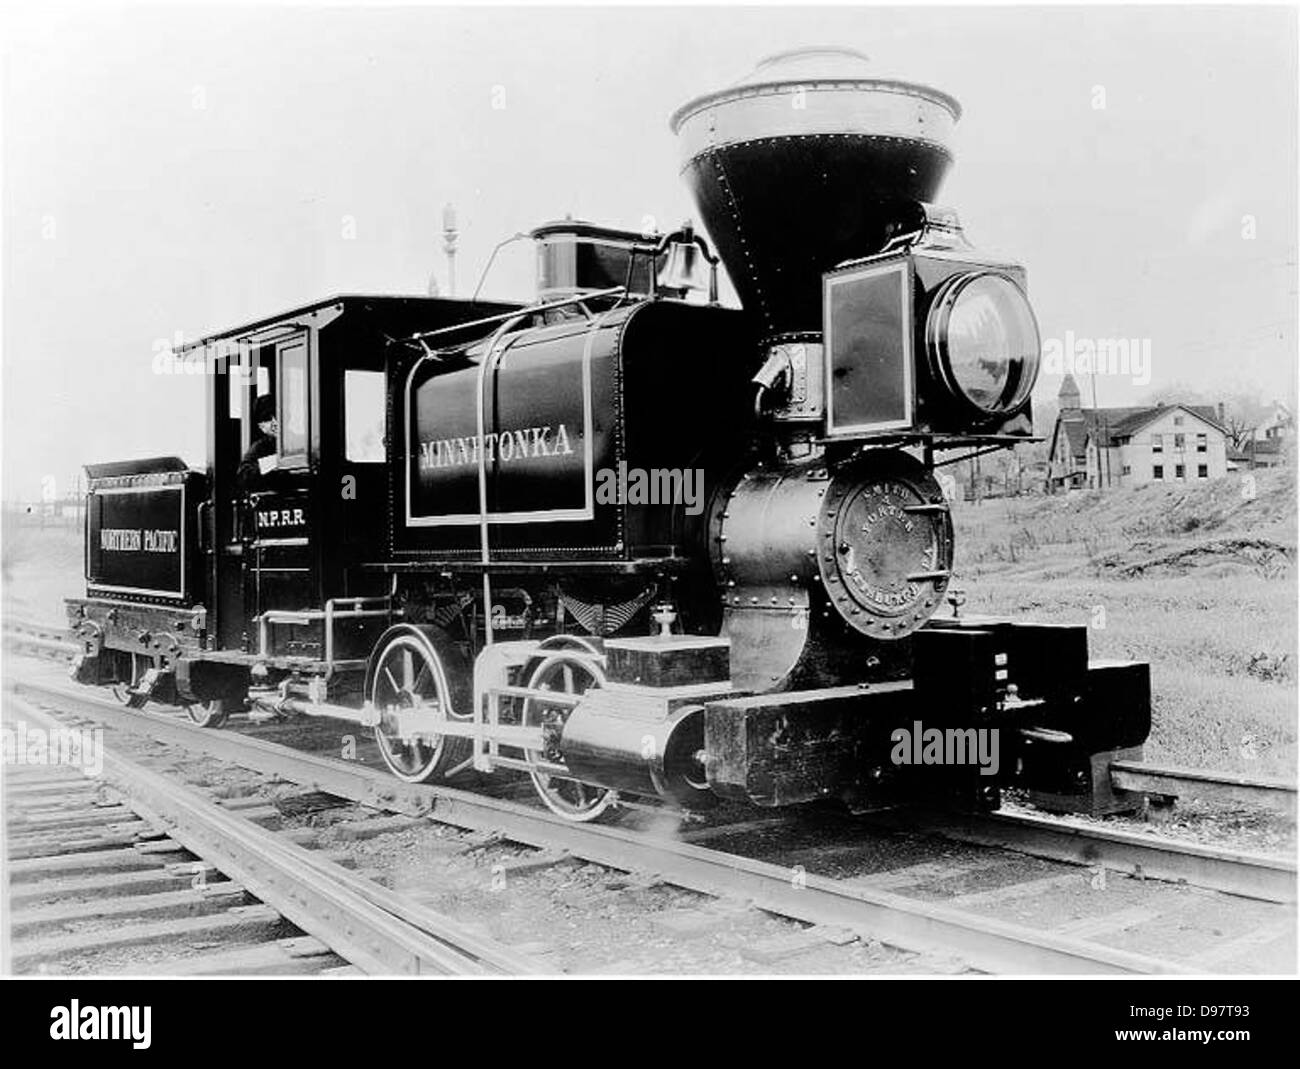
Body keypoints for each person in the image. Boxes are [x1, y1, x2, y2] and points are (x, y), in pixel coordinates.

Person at [237, 394, 278, 492]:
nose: (275, 423)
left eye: (278, 415)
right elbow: (244, 475)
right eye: (268, 419)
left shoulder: (299, 443)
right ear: (261, 426)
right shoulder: (260, 448)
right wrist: (276, 460)